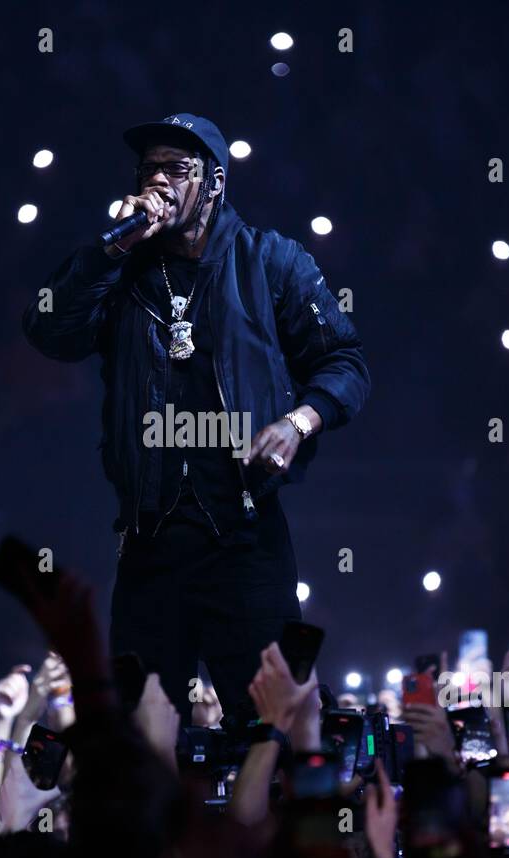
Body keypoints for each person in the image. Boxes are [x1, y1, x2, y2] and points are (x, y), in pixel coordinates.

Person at [22, 113, 370, 725]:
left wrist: (299, 423)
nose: (157, 180)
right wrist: (113, 246)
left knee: (269, 724)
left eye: (175, 170)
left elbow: (346, 363)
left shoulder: (271, 262)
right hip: (150, 544)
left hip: (245, 539)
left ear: (213, 184)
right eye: (148, 168)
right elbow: (49, 330)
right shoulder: (123, 269)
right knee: (140, 732)